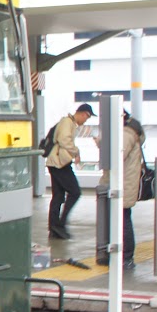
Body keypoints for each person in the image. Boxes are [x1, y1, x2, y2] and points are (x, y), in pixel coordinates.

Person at [100, 110, 145, 268]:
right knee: (122, 218)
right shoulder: (131, 132)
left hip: (122, 184)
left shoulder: (126, 133)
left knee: (123, 219)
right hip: (124, 182)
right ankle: (123, 256)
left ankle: (126, 257)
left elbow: (117, 157)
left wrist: (101, 143)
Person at [44, 102, 93, 239]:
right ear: (83, 113)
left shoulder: (69, 123)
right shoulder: (67, 122)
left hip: (57, 163)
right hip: (59, 164)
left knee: (58, 196)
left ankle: (55, 227)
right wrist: (76, 152)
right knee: (75, 192)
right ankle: (60, 224)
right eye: (87, 117)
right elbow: (64, 140)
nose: (85, 121)